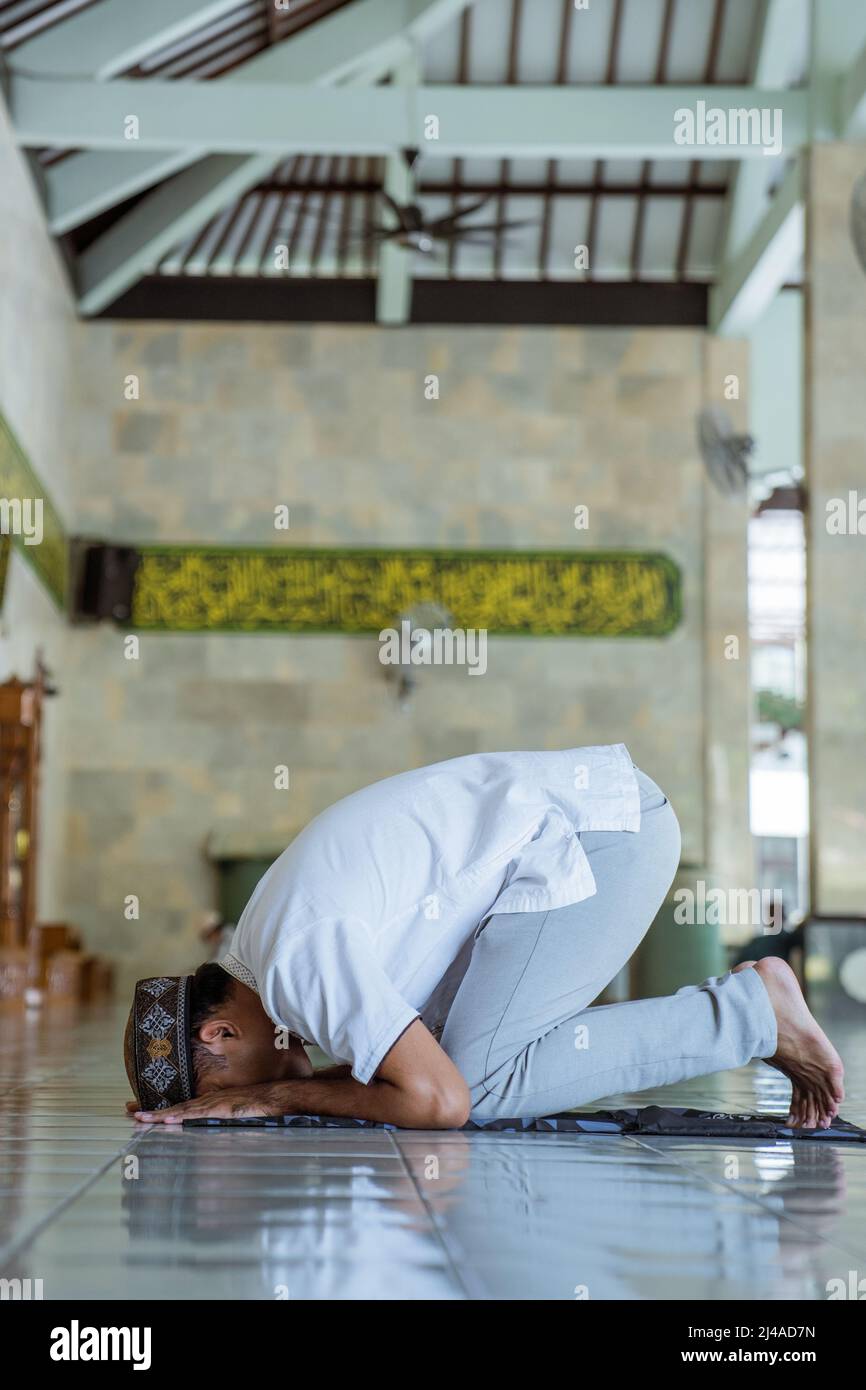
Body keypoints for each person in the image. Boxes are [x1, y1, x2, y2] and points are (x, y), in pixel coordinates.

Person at [124, 745, 844, 1131]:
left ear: (219, 1035)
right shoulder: (269, 948)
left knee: (484, 1086)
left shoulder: (296, 960)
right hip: (599, 825)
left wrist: (272, 1103)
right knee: (464, 1068)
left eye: (219, 1093)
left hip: (601, 840)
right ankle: (751, 1010)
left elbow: (442, 1101)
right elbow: (407, 1077)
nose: (234, 1101)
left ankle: (752, 1014)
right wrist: (270, 1097)